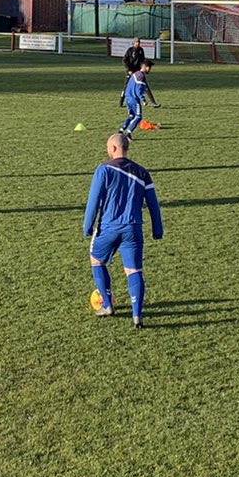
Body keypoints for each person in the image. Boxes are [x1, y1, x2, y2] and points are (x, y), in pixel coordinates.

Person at [84, 130, 163, 327]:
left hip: (108, 228)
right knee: (134, 270)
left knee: (96, 260)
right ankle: (137, 316)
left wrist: (88, 225)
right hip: (133, 229)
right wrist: (157, 229)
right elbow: (153, 204)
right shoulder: (142, 172)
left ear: (113, 148)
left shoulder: (104, 169)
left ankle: (107, 305)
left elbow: (94, 200)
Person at [119, 66, 152, 134]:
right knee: (138, 117)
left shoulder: (135, 74)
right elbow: (138, 90)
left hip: (128, 98)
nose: (150, 70)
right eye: (150, 68)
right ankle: (128, 133)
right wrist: (143, 100)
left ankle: (121, 130)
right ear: (146, 67)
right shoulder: (141, 76)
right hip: (134, 99)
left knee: (132, 116)